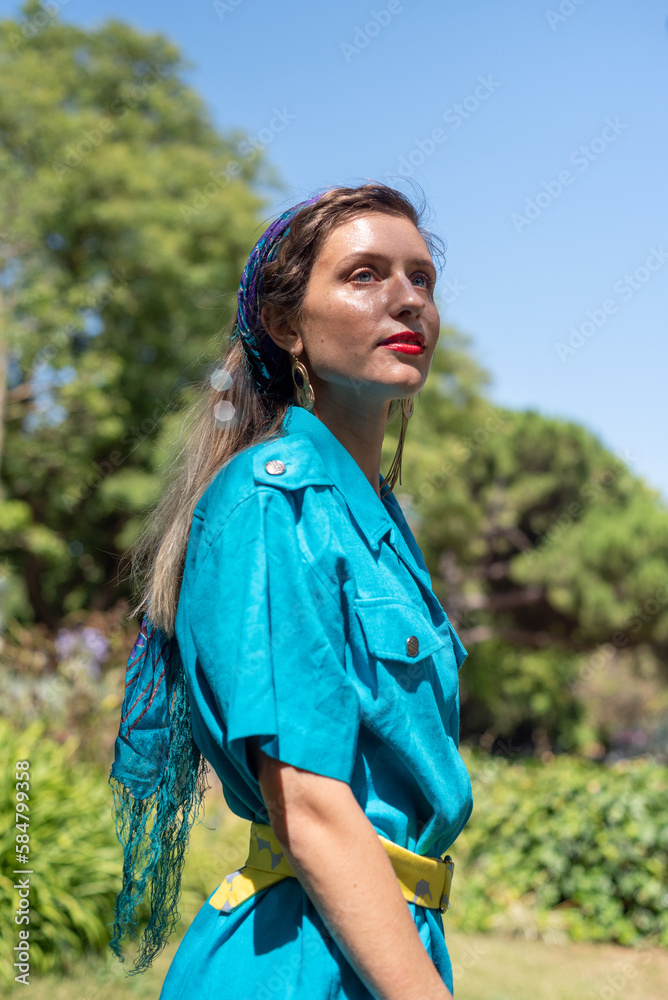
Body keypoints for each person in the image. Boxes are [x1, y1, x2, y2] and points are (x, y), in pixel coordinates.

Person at [108, 182, 474, 1000]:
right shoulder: (275, 501)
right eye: (365, 275)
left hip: (378, 941)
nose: (407, 301)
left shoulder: (369, 516)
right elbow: (310, 807)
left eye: (422, 279)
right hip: (300, 960)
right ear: (285, 324)